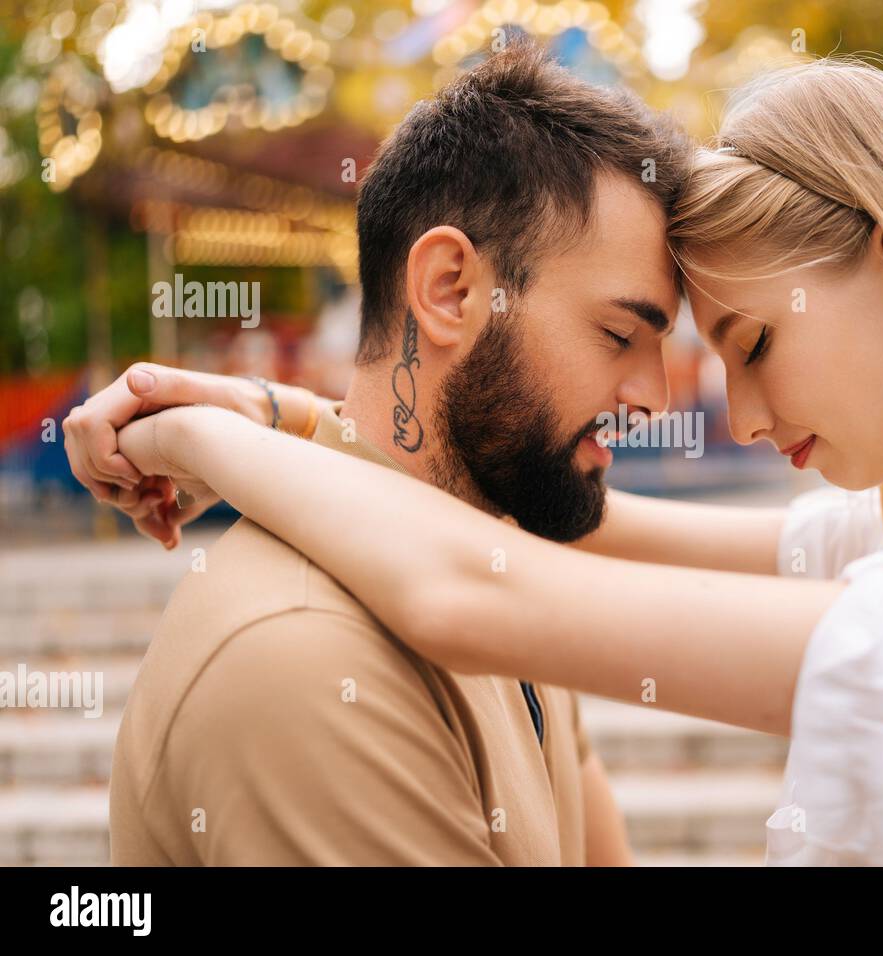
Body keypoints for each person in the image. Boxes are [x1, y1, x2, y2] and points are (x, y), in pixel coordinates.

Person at [68, 54, 883, 866]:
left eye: (756, 343)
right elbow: (574, 525)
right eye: (631, 335)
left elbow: (468, 587)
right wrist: (281, 412)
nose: (726, 411)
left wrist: (194, 434)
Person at [68, 42, 693, 865]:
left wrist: (261, 418)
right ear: (449, 290)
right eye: (618, 333)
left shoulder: (498, 553)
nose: (658, 397)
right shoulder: (304, 661)